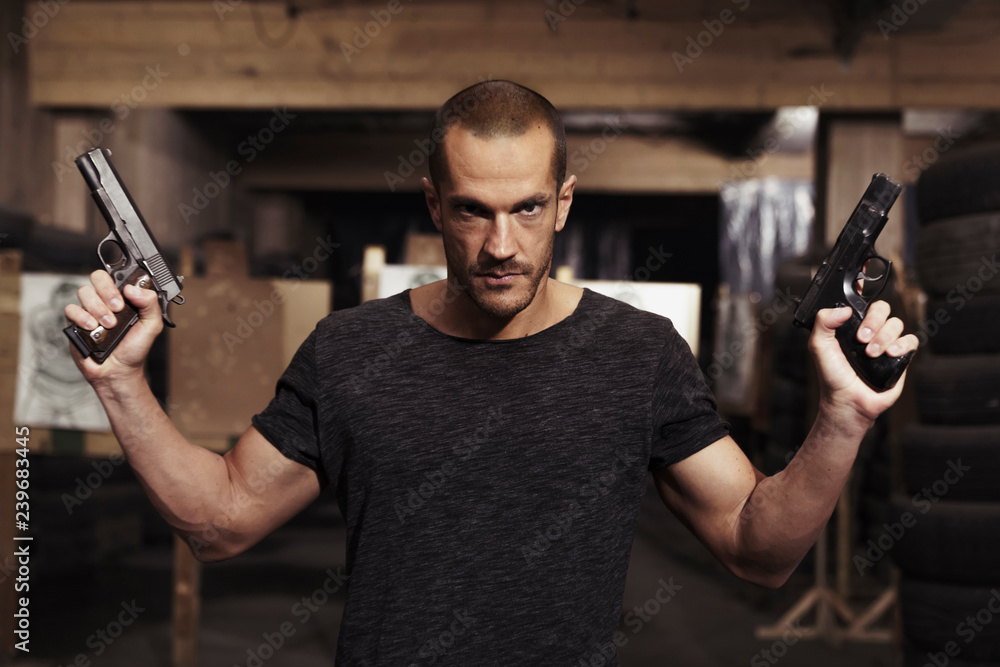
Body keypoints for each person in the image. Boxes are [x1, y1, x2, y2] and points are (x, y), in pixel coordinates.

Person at [65, 80, 918, 664]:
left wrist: (843, 416)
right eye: (472, 210)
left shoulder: (638, 353)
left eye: (526, 209)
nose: (500, 246)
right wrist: (121, 384)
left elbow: (759, 549)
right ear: (434, 203)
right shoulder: (352, 350)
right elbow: (220, 522)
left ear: (565, 202)